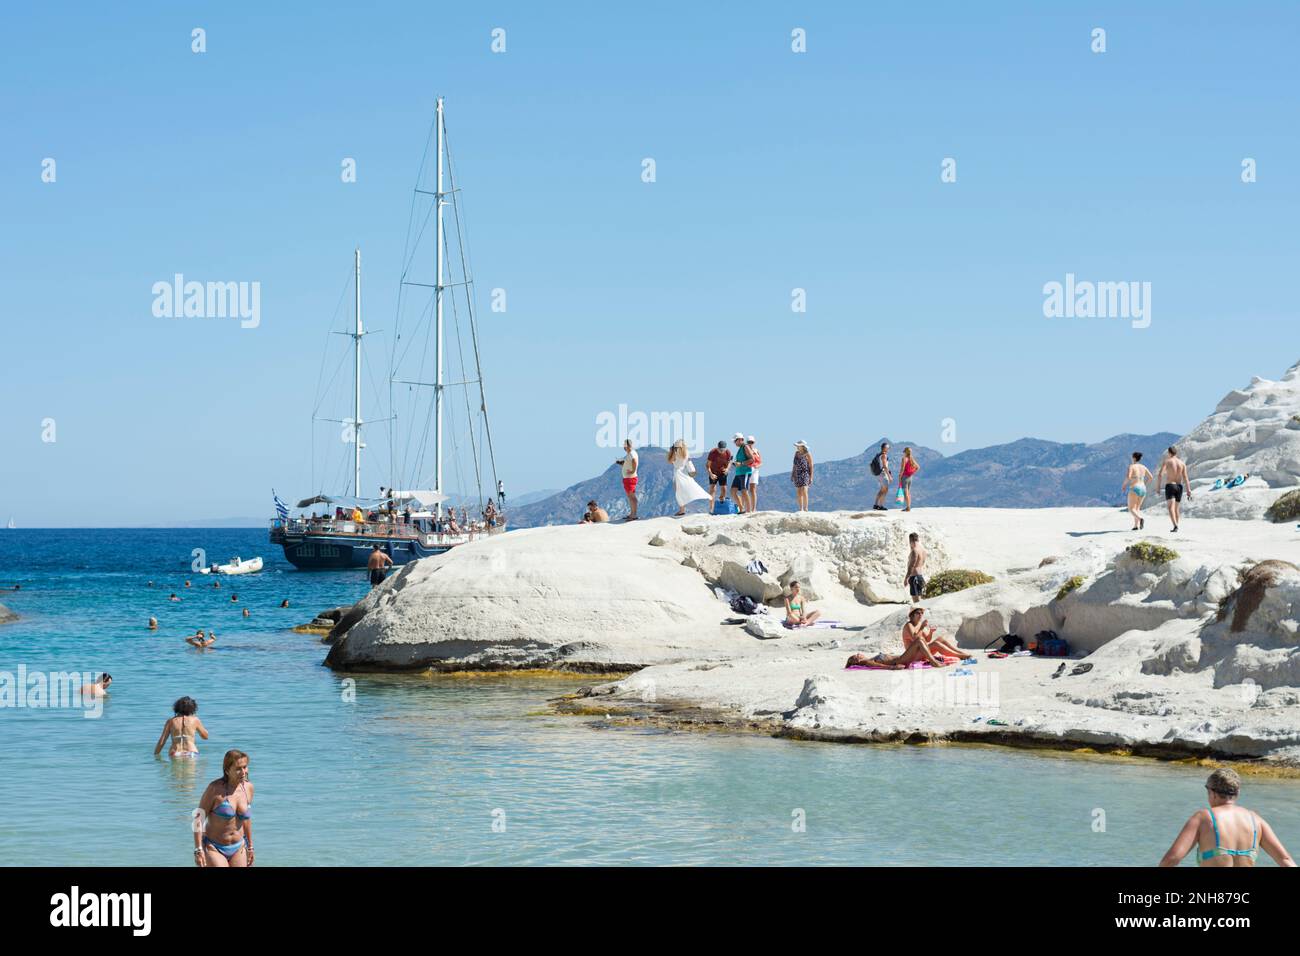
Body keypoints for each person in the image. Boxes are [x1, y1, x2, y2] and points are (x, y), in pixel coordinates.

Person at [1159, 768, 1294, 867]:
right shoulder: (1256, 820)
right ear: (1237, 793)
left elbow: (1172, 859)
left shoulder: (1204, 818)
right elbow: (1285, 860)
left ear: (1212, 793)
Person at [195, 750, 254, 867]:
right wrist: (198, 849)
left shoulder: (248, 788)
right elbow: (198, 817)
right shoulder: (214, 789)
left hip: (239, 847)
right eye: (238, 768)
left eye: (245, 767)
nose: (243, 772)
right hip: (214, 847)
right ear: (227, 770)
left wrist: (250, 846)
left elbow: (246, 820)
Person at [902, 607, 971, 661]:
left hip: (922, 652)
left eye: (922, 613)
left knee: (940, 639)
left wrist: (931, 632)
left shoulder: (919, 624)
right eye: (918, 613)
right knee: (936, 644)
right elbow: (915, 640)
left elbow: (927, 639)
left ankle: (960, 653)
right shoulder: (909, 625)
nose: (920, 615)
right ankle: (959, 656)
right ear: (912, 615)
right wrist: (922, 627)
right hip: (912, 656)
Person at [668, 439, 710, 516]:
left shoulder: (675, 452)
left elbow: (670, 461)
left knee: (678, 492)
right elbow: (688, 463)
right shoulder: (686, 453)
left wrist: (671, 451)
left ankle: (682, 510)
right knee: (689, 488)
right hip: (684, 472)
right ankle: (682, 509)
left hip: (677, 473)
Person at [1156, 445, 1192, 533]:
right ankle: (1176, 525)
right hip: (1179, 486)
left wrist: (1158, 487)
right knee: (1176, 508)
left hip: (1170, 485)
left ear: (1169, 453)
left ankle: (1175, 525)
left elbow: (1160, 474)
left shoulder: (1167, 461)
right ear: (1176, 453)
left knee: (1170, 507)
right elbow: (1186, 478)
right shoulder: (1182, 463)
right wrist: (1188, 490)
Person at [1122, 451, 1154, 531]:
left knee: (1131, 508)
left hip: (1135, 487)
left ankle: (1140, 519)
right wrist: (1145, 484)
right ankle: (1136, 526)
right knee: (1137, 508)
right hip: (1143, 488)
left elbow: (1129, 477)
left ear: (1133, 458)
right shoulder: (1143, 467)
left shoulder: (1131, 466)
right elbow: (1151, 477)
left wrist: (1124, 485)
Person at [615, 439, 640, 521]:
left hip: (630, 478)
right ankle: (632, 513)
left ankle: (634, 515)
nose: (624, 447)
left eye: (625, 446)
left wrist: (633, 470)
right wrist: (622, 464)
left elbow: (634, 461)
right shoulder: (630, 454)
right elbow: (629, 463)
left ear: (628, 446)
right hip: (627, 477)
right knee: (630, 496)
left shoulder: (632, 454)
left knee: (631, 496)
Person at [729, 433, 754, 513]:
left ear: (740, 440)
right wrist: (734, 463)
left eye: (735, 441)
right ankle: (741, 508)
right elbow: (739, 462)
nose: (734, 443)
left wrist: (741, 463)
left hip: (745, 472)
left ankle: (749, 511)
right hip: (738, 473)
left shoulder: (745, 447)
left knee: (744, 490)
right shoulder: (740, 449)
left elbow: (752, 459)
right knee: (733, 491)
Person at [706, 441, 732, 513]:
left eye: (723, 450)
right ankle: (711, 508)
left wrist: (727, 469)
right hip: (713, 472)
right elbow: (707, 465)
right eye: (720, 449)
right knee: (712, 489)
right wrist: (711, 474)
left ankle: (721, 502)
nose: (721, 451)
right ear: (718, 448)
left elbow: (730, 462)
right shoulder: (712, 452)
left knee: (724, 489)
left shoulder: (728, 452)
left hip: (722, 472)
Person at [791, 441, 814, 511]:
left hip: (805, 473)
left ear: (803, 446)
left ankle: (806, 507)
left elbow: (811, 466)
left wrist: (811, 477)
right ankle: (800, 508)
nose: (797, 447)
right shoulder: (796, 453)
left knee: (804, 489)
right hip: (797, 474)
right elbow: (794, 465)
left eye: (798, 446)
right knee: (798, 491)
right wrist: (792, 474)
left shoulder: (808, 454)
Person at [905, 532, 926, 604]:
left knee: (916, 602)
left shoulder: (915, 550)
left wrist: (906, 578)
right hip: (920, 577)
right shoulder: (923, 551)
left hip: (914, 578)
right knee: (921, 600)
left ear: (911, 540)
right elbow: (922, 563)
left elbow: (912, 565)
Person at [872, 442, 893, 510]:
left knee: (882, 489)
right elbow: (884, 466)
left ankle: (876, 504)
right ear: (884, 448)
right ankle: (880, 505)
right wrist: (889, 476)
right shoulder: (884, 455)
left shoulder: (879, 455)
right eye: (888, 448)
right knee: (885, 489)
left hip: (879, 474)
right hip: (883, 474)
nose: (888, 449)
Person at [898, 447, 920, 511]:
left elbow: (902, 469)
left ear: (905, 452)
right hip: (910, 477)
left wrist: (900, 476)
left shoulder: (904, 459)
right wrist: (912, 472)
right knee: (908, 493)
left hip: (904, 477)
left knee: (906, 493)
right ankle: (908, 507)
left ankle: (908, 507)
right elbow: (918, 467)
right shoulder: (911, 459)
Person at [746, 437, 762, 510]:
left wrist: (758, 466)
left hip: (755, 471)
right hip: (747, 470)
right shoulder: (745, 450)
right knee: (745, 488)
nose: (750, 443)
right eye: (749, 442)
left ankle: (754, 508)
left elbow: (760, 462)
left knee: (753, 489)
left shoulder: (756, 450)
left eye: (752, 442)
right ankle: (746, 508)